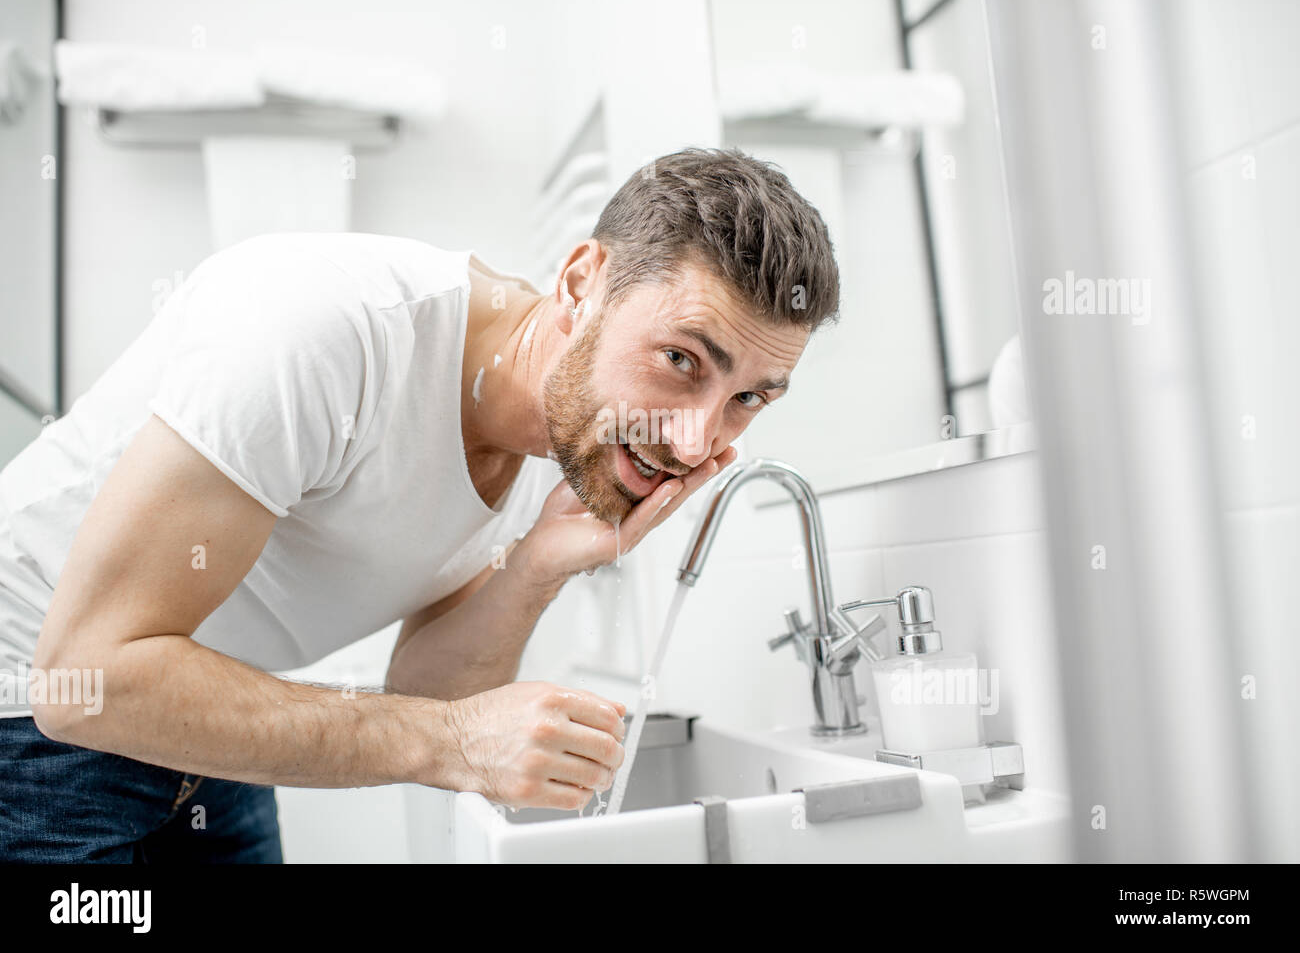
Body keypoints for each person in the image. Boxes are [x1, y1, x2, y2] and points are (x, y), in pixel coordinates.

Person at [0, 147, 841, 861]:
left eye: (748, 398)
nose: (695, 441)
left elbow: (421, 688)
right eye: (683, 358)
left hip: (202, 717)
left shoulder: (561, 429)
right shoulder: (323, 331)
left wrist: (539, 563)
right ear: (584, 282)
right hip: (30, 728)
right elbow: (86, 681)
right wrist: (459, 743)